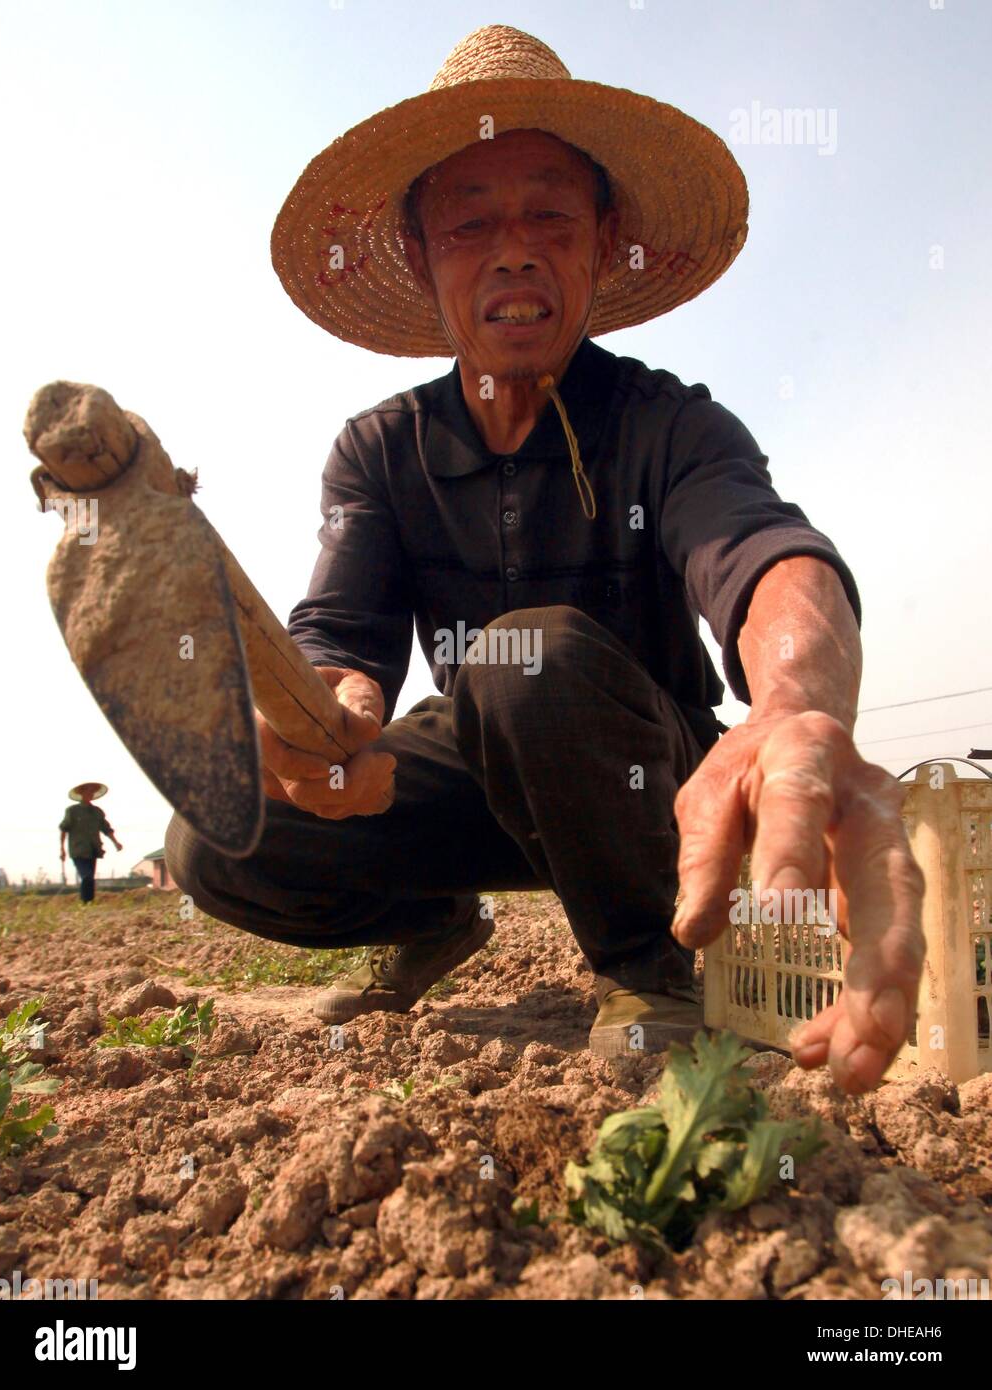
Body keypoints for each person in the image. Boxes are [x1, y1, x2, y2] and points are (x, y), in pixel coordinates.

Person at [165, 26, 924, 1093]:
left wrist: (796, 707)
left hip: (644, 787)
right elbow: (339, 633)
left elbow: (760, 556)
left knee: (525, 661)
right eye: (470, 221)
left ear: (602, 241)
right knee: (218, 830)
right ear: (424, 254)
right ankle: (433, 921)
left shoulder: (671, 426)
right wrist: (315, 714)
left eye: (549, 216)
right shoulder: (378, 451)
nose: (511, 248)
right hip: (474, 770)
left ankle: (655, 969)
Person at [59, 782, 122, 904]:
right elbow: (64, 829)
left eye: (92, 791)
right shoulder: (72, 811)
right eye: (87, 791)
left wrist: (116, 843)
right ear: (81, 793)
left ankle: (90, 902)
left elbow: (106, 829)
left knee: (90, 878)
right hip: (78, 850)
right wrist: (62, 849)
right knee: (86, 876)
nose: (90, 793)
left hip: (93, 849)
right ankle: (84, 901)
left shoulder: (97, 812)